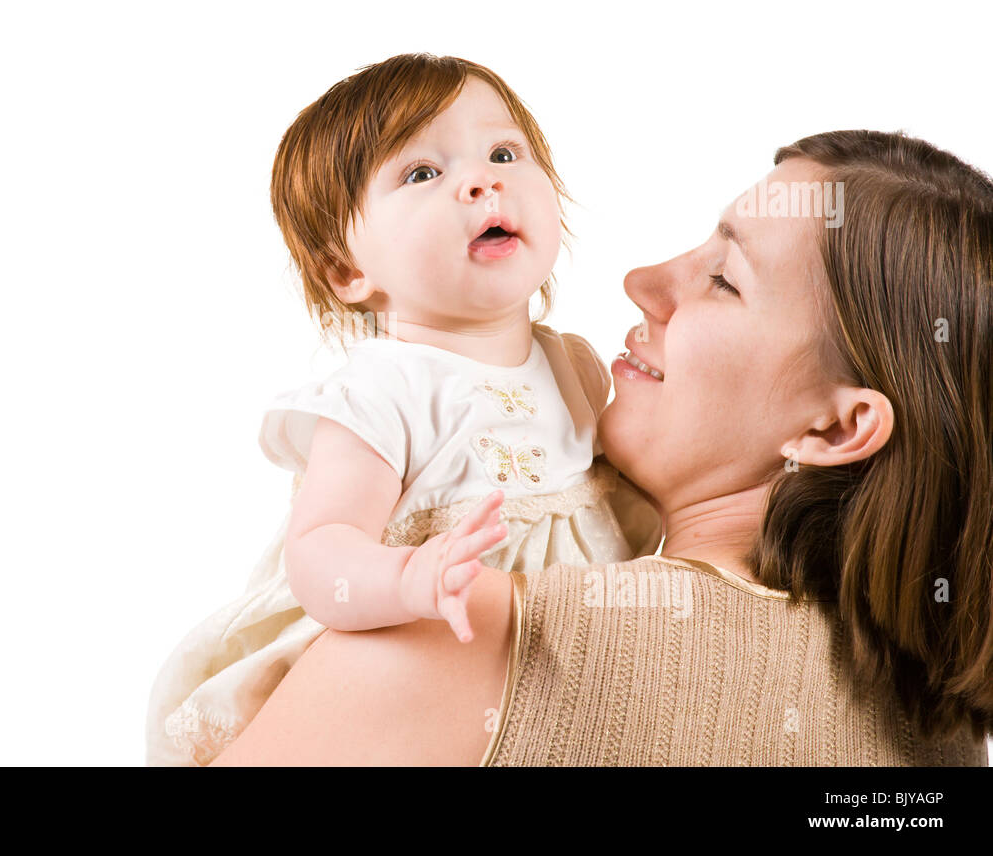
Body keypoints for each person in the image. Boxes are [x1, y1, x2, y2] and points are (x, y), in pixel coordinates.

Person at [210, 130, 993, 766]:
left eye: (723, 278)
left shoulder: (464, 637)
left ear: (834, 429)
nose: (645, 281)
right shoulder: (945, 733)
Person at [144, 54, 660, 766]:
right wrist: (411, 580)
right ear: (347, 271)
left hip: (559, 680)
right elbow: (320, 551)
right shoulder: (380, 393)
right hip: (416, 680)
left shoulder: (572, 366)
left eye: (504, 153)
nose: (482, 181)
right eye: (423, 173)